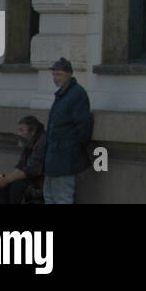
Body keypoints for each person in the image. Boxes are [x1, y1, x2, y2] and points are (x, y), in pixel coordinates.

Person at [44, 58, 92, 204]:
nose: (56, 78)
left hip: (64, 156)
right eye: (54, 74)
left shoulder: (76, 94)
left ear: (69, 74)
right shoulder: (64, 94)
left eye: (59, 74)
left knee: (62, 197)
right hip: (55, 156)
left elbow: (83, 127)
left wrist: (72, 146)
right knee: (50, 195)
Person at [0, 116, 47, 204]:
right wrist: (5, 179)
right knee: (6, 184)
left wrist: (7, 179)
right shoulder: (29, 142)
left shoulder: (42, 142)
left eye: (21, 130)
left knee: (16, 185)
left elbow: (33, 169)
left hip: (40, 182)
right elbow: (20, 166)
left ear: (32, 131)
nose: (19, 134)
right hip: (29, 178)